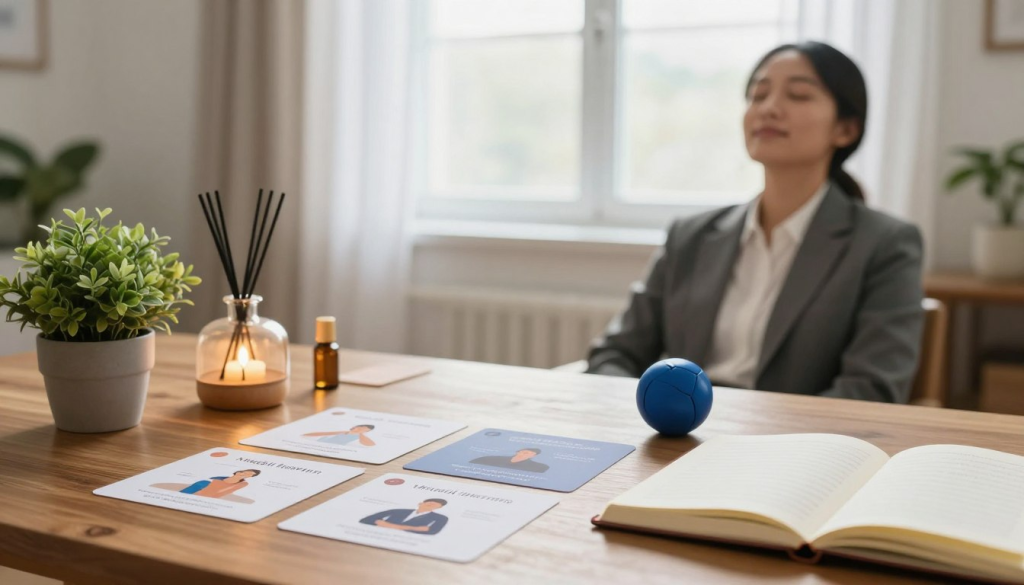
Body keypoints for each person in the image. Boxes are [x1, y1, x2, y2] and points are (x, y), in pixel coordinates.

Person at [587, 41, 924, 403]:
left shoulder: (886, 244)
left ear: (845, 129)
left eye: (798, 95)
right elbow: (613, 356)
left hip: (794, 449)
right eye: (758, 95)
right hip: (680, 440)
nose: (769, 108)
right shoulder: (690, 235)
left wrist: (753, 435)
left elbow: (871, 391)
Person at [359, 498, 449, 535]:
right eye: (429, 504)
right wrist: (416, 528)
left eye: (435, 505)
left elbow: (432, 531)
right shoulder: (398, 511)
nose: (431, 506)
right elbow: (366, 520)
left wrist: (387, 524)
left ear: (439, 508)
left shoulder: (441, 518)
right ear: (421, 503)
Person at [180, 469, 261, 498]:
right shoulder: (211, 480)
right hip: (202, 488)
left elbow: (226, 492)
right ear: (238, 472)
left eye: (249, 474)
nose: (244, 474)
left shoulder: (243, 483)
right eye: (244, 472)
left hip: (207, 497)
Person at [470, 448, 550, 473]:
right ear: (518, 452)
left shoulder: (540, 467)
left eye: (527, 453)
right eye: (522, 451)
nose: (523, 454)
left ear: (534, 455)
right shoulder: (491, 459)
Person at [302, 424, 377, 446]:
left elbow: (371, 444)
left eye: (366, 430)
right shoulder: (344, 432)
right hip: (323, 442)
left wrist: (361, 434)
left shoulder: (360, 436)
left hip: (333, 446)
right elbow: (325, 433)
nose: (361, 429)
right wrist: (305, 435)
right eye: (362, 427)